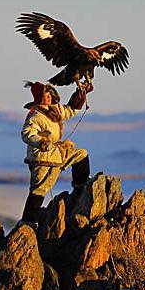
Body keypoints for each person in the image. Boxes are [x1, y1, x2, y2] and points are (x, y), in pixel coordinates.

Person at [20, 81, 91, 224]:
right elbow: (27, 133)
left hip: (58, 153)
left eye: (49, 95)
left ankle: (80, 187)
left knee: (81, 155)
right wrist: (41, 142)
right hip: (42, 157)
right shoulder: (35, 115)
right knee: (39, 190)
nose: (48, 98)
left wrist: (81, 93)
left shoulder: (55, 110)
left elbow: (70, 110)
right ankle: (28, 222)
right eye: (45, 95)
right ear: (39, 98)